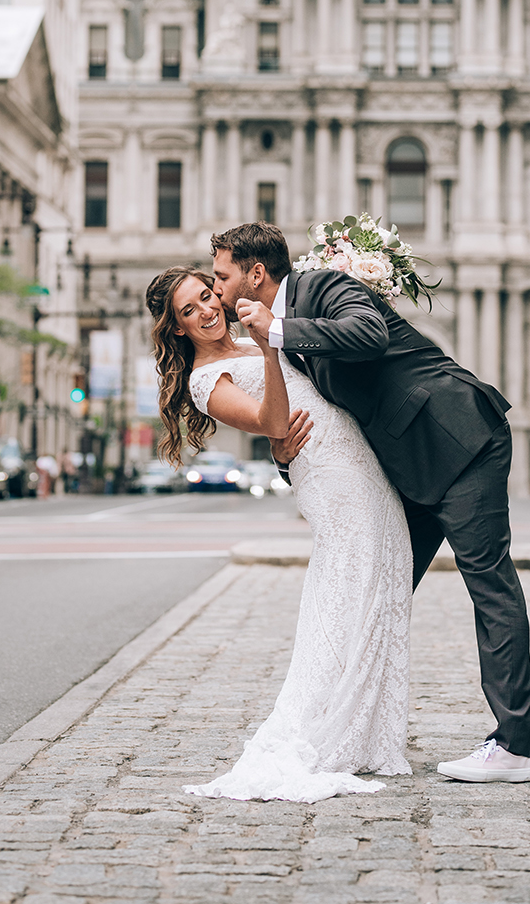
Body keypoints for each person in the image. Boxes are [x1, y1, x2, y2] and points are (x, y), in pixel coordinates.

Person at [211, 222, 530, 785]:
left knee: (488, 580)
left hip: (459, 440)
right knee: (375, 587)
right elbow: (320, 415)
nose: (216, 290)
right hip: (409, 467)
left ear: (256, 274)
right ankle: (350, 727)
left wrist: (280, 328)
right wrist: (286, 455)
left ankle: (515, 745)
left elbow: (369, 336)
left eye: (221, 277)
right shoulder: (282, 335)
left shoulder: (323, 289)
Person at [146, 265, 413, 802]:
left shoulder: (257, 332)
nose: (205, 311)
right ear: (177, 328)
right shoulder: (205, 380)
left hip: (357, 457)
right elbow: (272, 422)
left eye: (206, 296)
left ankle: (362, 729)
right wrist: (268, 349)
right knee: (346, 584)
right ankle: (320, 724)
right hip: (328, 477)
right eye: (189, 311)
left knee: (382, 580)